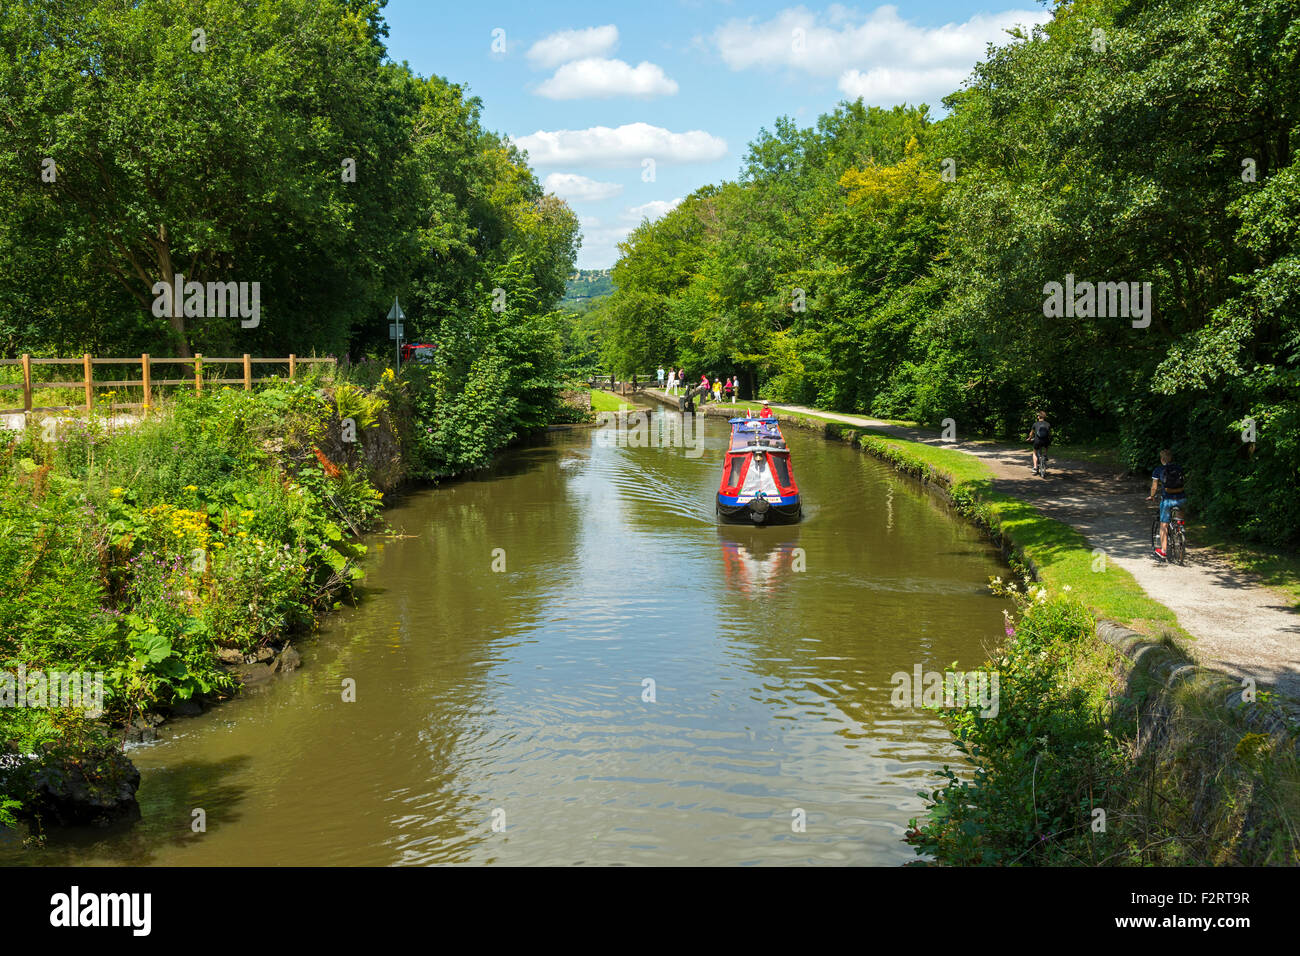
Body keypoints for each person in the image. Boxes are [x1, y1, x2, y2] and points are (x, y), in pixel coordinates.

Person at [1146, 448, 1187, 561]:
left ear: (1162, 459)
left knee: (1163, 525)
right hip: (1182, 498)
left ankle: (1163, 551)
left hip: (1167, 500)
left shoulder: (1158, 469)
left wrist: (1152, 496)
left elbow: (1154, 486)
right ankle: (1180, 529)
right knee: (1179, 519)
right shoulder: (1179, 468)